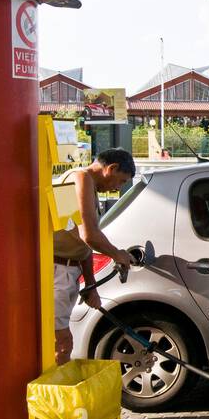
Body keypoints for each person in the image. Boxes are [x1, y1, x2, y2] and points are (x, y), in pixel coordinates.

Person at [53, 147, 137, 364]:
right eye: (120, 181)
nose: (117, 188)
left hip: (67, 270)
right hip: (57, 271)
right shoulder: (79, 179)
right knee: (61, 343)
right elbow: (89, 235)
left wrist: (91, 285)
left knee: (61, 342)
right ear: (111, 168)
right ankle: (56, 394)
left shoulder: (82, 183)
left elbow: (81, 243)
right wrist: (117, 254)